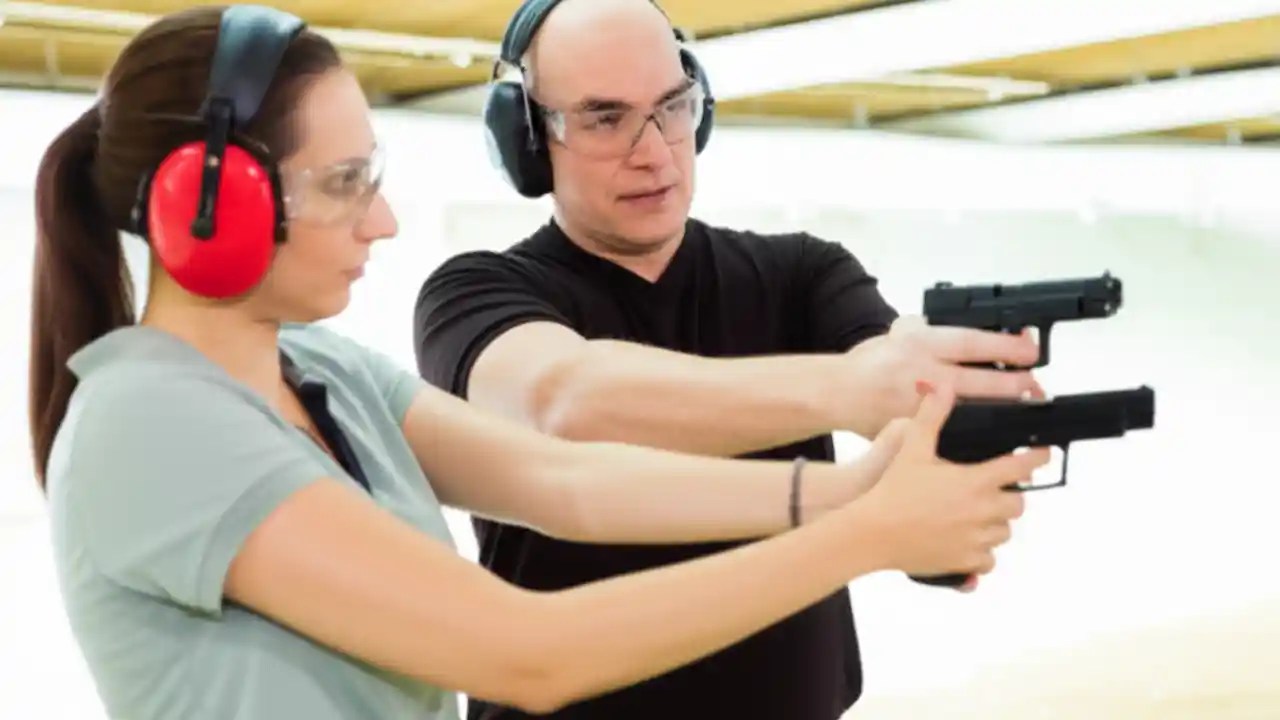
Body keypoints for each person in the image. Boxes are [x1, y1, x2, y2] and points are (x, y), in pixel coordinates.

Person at [30, 5, 1045, 720]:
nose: (379, 220)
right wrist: (861, 529)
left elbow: (563, 486)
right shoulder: (153, 424)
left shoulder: (323, 370)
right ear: (206, 208)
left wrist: (846, 490)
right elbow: (526, 651)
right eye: (343, 184)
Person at [413, 0, 1047, 718]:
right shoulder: (475, 293)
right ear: (528, 138)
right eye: (604, 119)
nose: (653, 150)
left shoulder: (803, 273)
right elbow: (564, 402)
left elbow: (905, 416)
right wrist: (848, 389)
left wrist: (946, 462)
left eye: (672, 108)